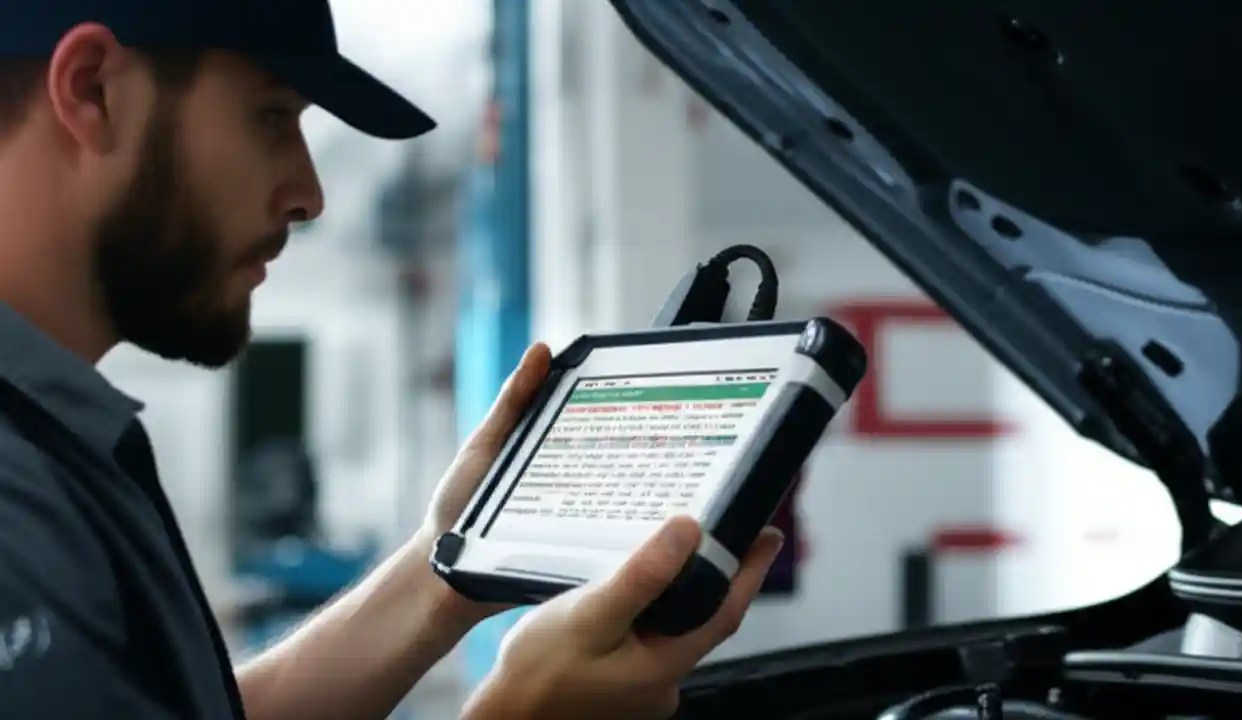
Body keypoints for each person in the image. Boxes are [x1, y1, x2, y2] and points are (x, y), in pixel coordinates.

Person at [0, 2, 785, 719]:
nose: (308, 195)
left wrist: (444, 569)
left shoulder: (48, 433)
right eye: (272, 116)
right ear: (93, 88)